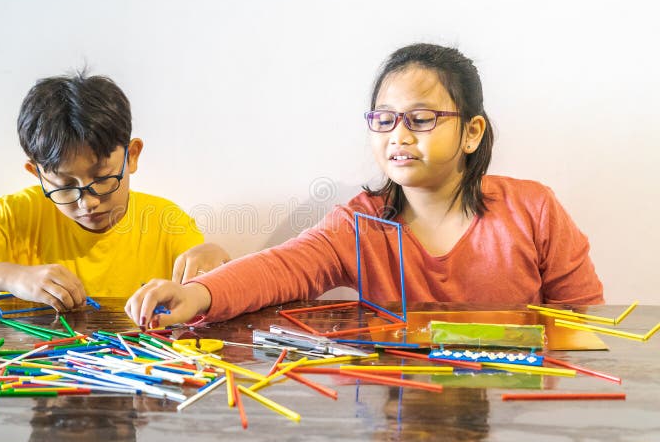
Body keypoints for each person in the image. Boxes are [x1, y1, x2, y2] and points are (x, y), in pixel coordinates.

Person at [126, 43, 603, 328]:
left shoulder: (533, 209)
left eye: (420, 119)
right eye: (384, 119)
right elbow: (280, 267)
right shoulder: (361, 222)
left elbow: (583, 320)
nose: (398, 134)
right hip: (397, 398)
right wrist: (198, 295)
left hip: (509, 407)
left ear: (472, 132)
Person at [0, 71, 229, 311]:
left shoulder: (164, 221)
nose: (87, 202)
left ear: (131, 156)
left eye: (103, 179)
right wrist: (13, 277)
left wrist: (215, 257)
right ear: (36, 174)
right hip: (43, 378)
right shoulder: (19, 215)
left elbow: (212, 282)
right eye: (64, 187)